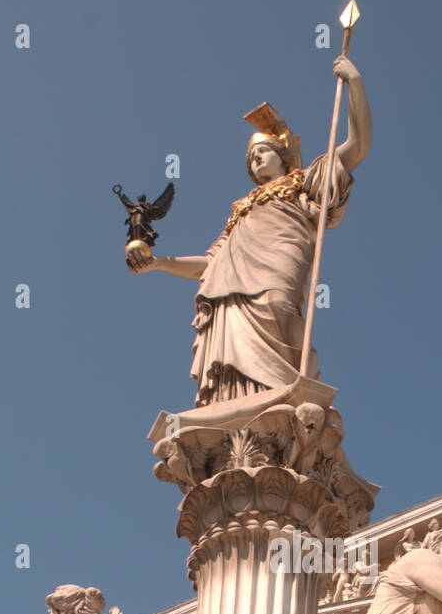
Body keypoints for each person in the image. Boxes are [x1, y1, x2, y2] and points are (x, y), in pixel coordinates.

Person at [127, 58, 372, 406]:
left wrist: (355, 83)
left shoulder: (304, 183)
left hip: (279, 264)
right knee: (229, 347)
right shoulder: (239, 209)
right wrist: (157, 263)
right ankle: (234, 411)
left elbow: (358, 144)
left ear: (283, 155)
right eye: (250, 158)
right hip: (230, 284)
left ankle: (283, 403)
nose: (255, 160)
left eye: (262, 152)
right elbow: (208, 266)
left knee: (276, 308)